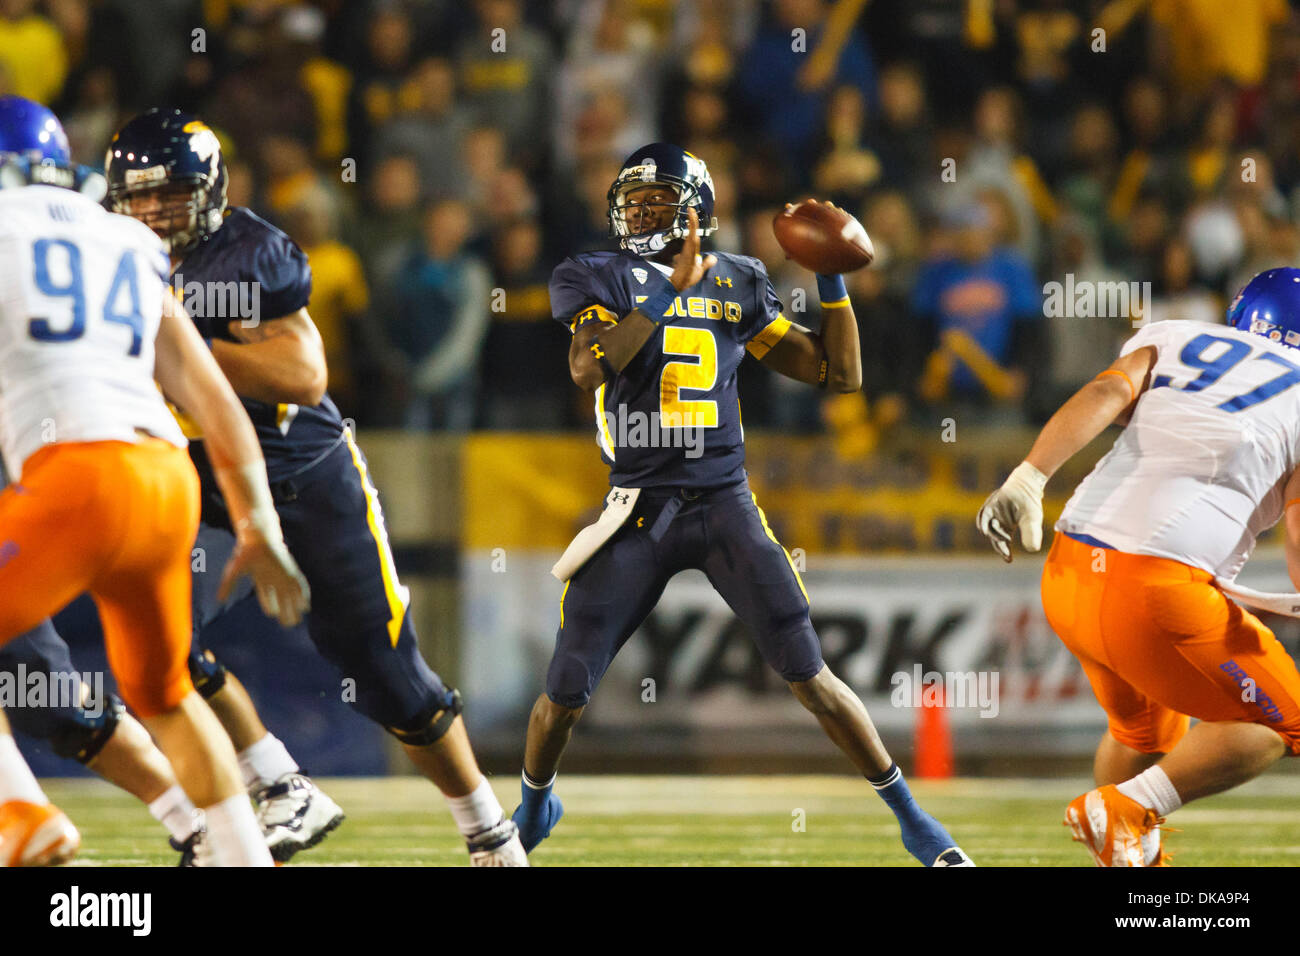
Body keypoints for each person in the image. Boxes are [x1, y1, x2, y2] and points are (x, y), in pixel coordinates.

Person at [512, 143, 973, 867]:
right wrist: (670, 292)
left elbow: (837, 373)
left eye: (656, 201)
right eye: (632, 201)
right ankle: (536, 803)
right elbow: (587, 367)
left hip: (724, 501)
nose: (639, 213)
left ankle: (914, 820)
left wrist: (830, 283)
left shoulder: (740, 280)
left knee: (811, 676)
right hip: (638, 505)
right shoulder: (592, 273)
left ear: (695, 209)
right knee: (564, 692)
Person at [103, 108, 525, 866]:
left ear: (208, 192)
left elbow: (303, 375)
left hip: (304, 475)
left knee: (390, 676)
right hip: (206, 488)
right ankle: (279, 782)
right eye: (140, 196)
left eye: (170, 195)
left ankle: (489, 832)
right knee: (158, 648)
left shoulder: (247, 252)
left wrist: (173, 339)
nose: (154, 212)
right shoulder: (108, 258)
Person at [0, 95, 309, 867]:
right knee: (166, 693)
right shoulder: (126, 242)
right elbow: (214, 401)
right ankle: (242, 857)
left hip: (76, 475)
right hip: (168, 480)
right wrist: (257, 524)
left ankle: (21, 812)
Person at [977, 268, 1300, 866]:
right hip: (1156, 592)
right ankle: (1130, 809)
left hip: (1070, 570)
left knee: (1143, 735)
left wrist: (1029, 477)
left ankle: (1124, 858)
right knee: (1286, 723)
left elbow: (1106, 394)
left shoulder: (1176, 337)